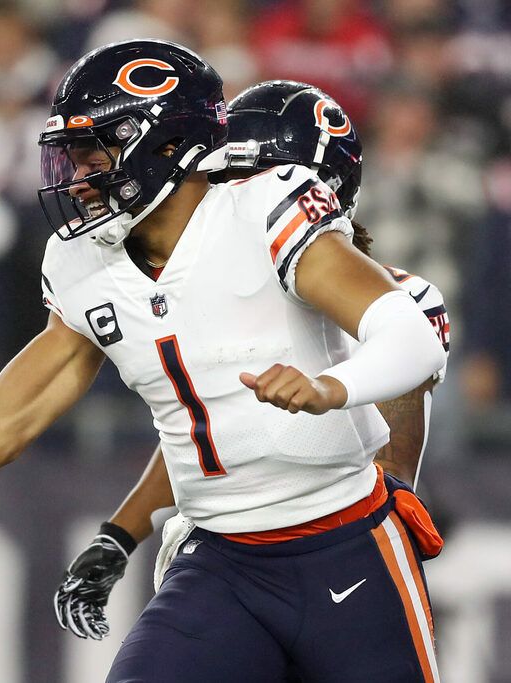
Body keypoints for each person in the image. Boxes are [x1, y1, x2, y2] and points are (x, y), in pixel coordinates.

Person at [0, 41, 446, 681]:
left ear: (164, 140)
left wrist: (333, 387)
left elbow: (407, 334)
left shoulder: (264, 208)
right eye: (72, 156)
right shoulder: (86, 264)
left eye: (95, 152)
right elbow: (0, 419)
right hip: (223, 559)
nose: (77, 177)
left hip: (345, 542)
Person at [52, 80, 452, 663]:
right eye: (227, 177)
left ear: (316, 188)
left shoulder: (392, 302)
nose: (236, 194)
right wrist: (118, 535)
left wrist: (329, 394)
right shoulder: (207, 274)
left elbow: (388, 474)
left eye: (256, 177)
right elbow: (210, 428)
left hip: (335, 549)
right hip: (222, 552)